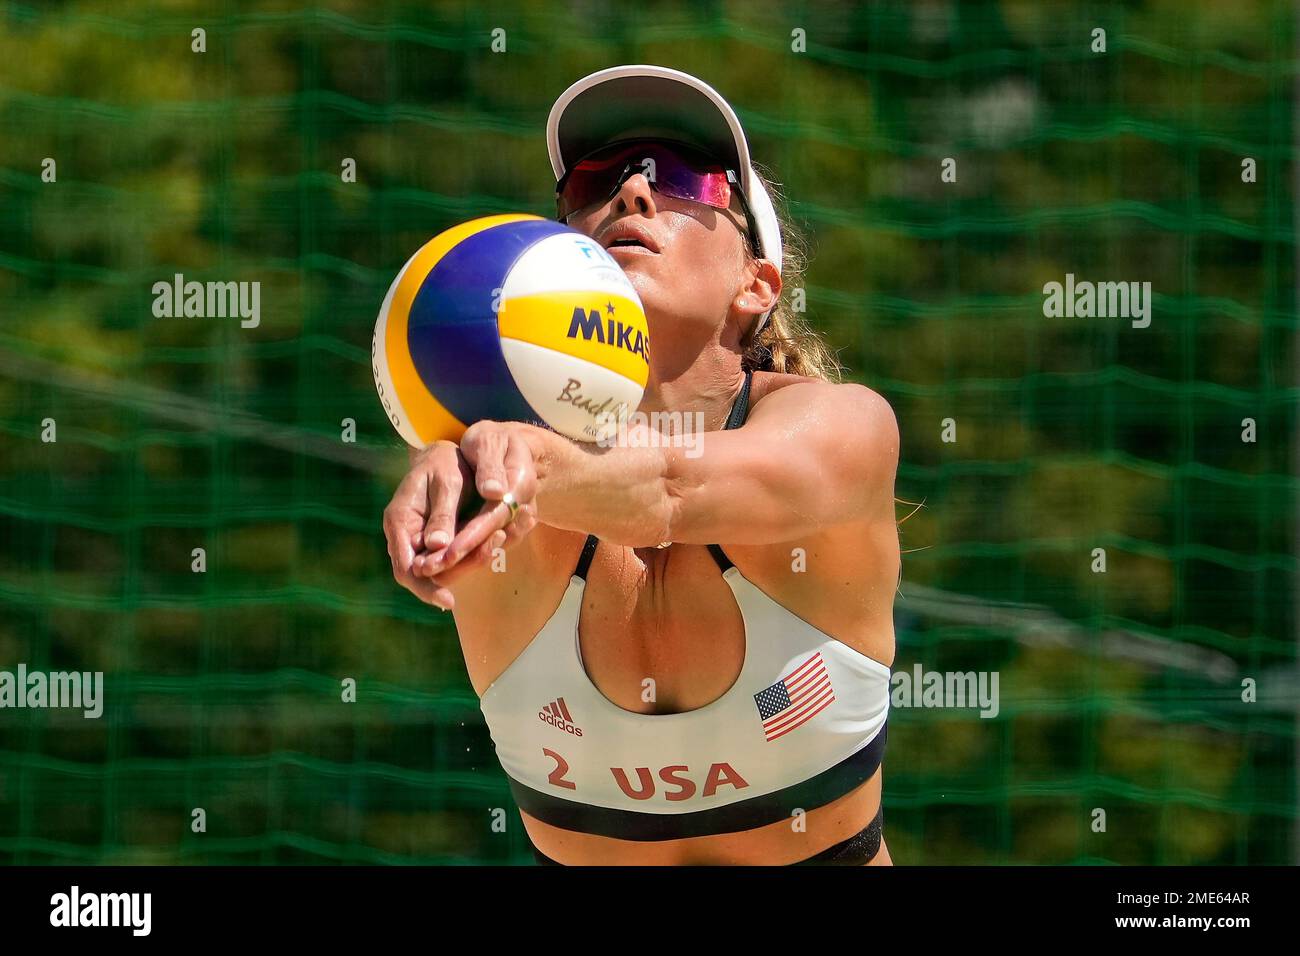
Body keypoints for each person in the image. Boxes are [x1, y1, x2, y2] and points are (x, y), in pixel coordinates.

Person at [383, 65, 900, 865]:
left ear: (756, 285)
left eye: (682, 178)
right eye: (595, 181)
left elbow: (671, 487)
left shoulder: (844, 427)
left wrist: (517, 464)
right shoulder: (494, 471)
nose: (631, 194)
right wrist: (448, 468)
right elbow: (491, 449)